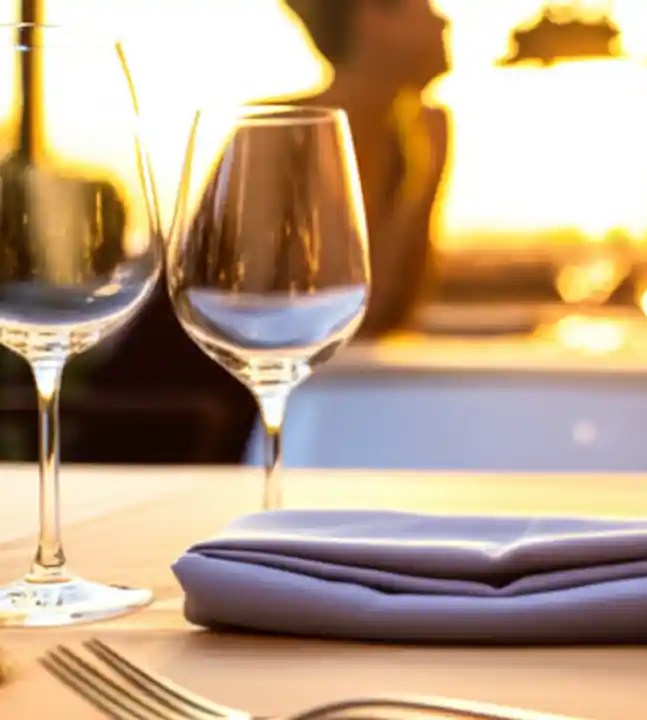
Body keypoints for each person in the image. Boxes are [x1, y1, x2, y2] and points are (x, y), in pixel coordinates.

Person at [87, 0, 451, 462]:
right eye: (425, 7)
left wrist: (425, 182)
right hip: (181, 414)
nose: (444, 20)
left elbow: (385, 317)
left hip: (283, 410)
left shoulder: (416, 137)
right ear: (369, 18)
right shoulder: (270, 135)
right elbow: (267, 319)